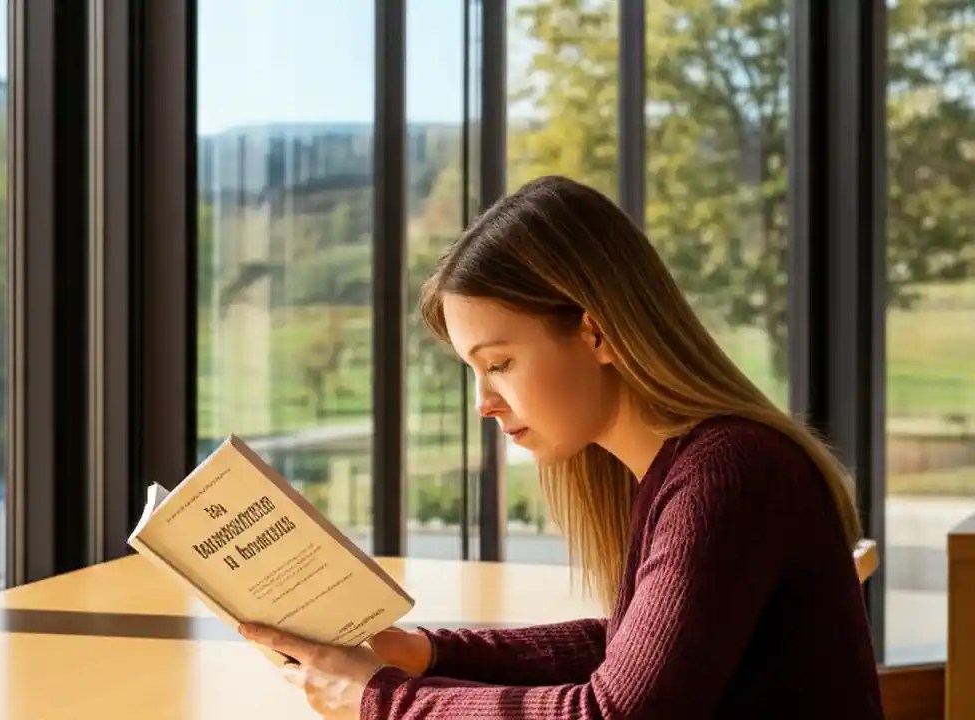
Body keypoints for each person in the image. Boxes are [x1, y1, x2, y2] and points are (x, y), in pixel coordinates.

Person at [238, 175, 884, 719]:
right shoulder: (686, 468)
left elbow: (613, 713)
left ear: (596, 333)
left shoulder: (730, 473)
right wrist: (425, 655)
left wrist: (384, 699)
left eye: (500, 363)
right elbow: (624, 651)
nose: (481, 403)